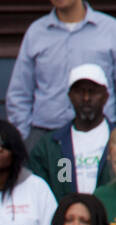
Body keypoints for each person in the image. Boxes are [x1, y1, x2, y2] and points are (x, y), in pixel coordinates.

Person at [8, 1, 116, 148]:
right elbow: (19, 92)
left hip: (101, 136)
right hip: (47, 136)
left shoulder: (110, 29)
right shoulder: (36, 32)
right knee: (62, 171)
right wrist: (25, 137)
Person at [28, 64, 114, 200]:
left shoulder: (114, 138)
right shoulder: (53, 145)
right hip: (66, 220)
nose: (86, 98)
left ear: (105, 96)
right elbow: (43, 193)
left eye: (93, 91)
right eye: (80, 91)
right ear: (70, 96)